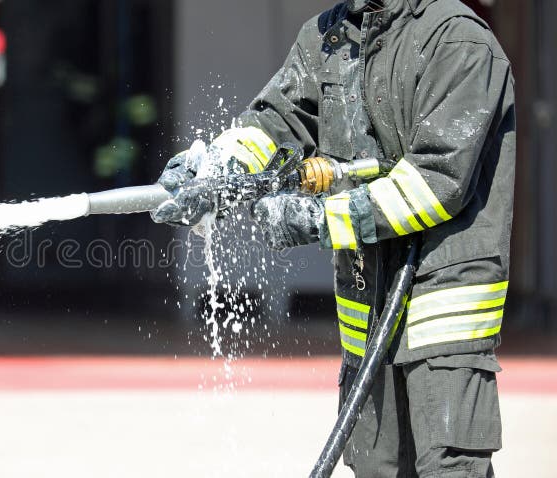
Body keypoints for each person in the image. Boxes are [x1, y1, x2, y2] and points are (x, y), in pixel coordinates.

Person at [152, 0, 515, 476]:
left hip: (442, 315)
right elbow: (276, 123)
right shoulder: (328, 36)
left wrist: (321, 219)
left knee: (449, 468)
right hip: (368, 312)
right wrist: (217, 168)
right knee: (375, 467)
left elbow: (438, 181)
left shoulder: (458, 41)